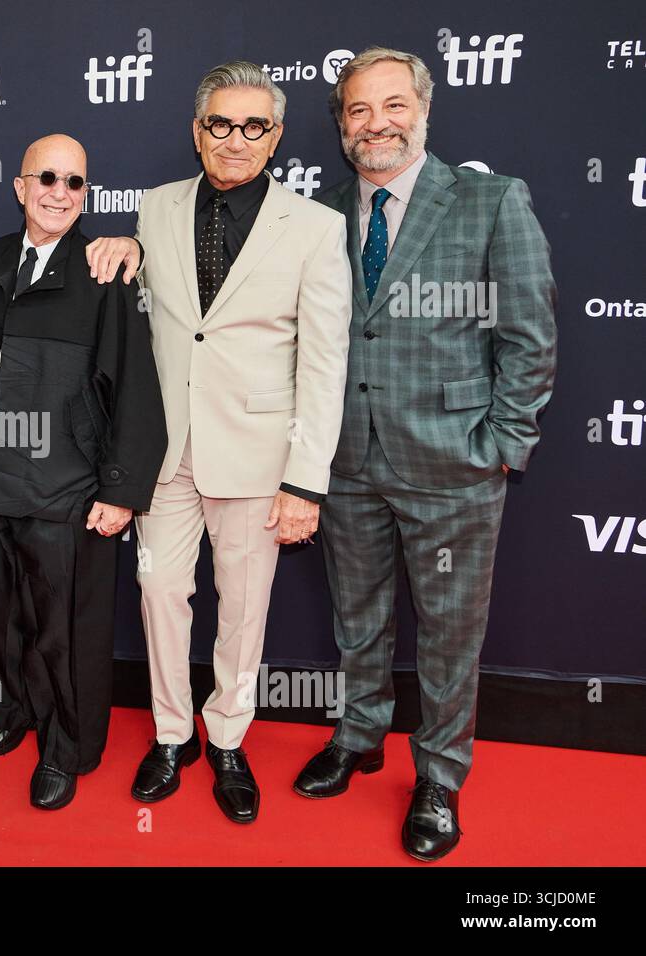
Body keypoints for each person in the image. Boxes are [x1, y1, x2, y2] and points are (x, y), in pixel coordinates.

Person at [294, 47, 557, 861]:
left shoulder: (488, 201)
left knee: (448, 633)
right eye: (359, 110)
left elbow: (530, 337)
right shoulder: (320, 215)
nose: (377, 123)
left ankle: (439, 777)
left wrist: (504, 444)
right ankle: (361, 733)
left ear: (424, 111)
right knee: (359, 618)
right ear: (340, 125)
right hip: (346, 462)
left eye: (393, 105)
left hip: (454, 466)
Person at [87, 62, 351, 822]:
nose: (235, 140)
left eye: (254, 126)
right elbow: (150, 307)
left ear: (275, 137)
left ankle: (229, 736)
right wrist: (125, 251)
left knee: (243, 610)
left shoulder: (315, 227)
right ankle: (173, 735)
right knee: (161, 595)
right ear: (196, 131)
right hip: (164, 451)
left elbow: (325, 361)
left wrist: (306, 480)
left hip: (259, 456)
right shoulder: (155, 206)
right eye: (220, 124)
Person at [0, 134, 165, 810]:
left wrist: (121, 489)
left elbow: (135, 386)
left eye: (75, 183)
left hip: (68, 482)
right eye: (46, 178)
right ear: (20, 187)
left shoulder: (105, 270)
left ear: (88, 193)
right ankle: (13, 712)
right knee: (0, 611)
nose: (59, 192)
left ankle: (67, 749)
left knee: (64, 629)